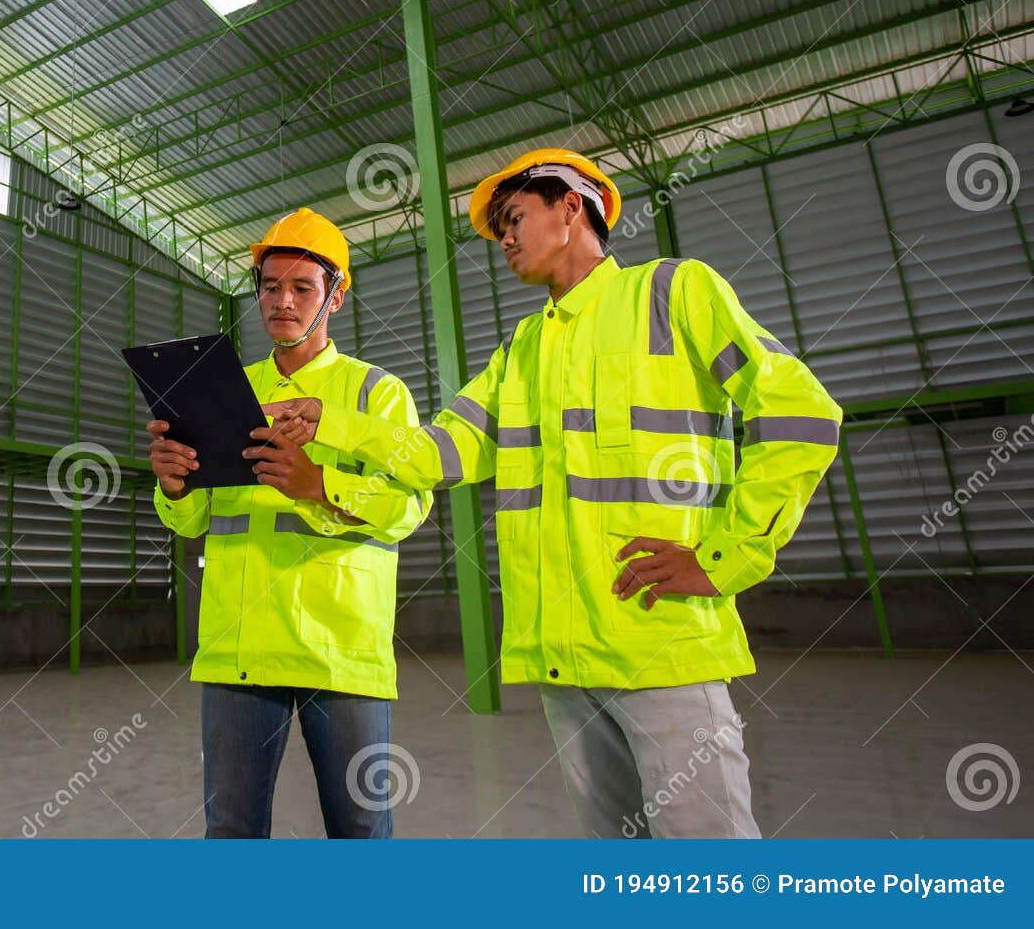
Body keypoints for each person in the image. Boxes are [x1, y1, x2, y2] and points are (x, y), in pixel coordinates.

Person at [259, 149, 843, 838]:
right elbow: (439, 453)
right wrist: (336, 417)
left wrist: (723, 557)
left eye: (514, 218)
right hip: (565, 662)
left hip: (662, 640)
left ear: (572, 206)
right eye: (499, 227)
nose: (503, 238)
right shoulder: (521, 351)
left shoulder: (672, 292)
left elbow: (802, 414)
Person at [148, 207, 431, 838]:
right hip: (239, 648)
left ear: (335, 295)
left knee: (360, 835)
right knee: (232, 836)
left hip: (341, 651)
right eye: (271, 286)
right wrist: (172, 483)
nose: (283, 301)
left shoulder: (374, 394)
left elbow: (408, 508)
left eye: (303, 287)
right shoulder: (223, 388)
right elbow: (194, 519)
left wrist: (318, 487)